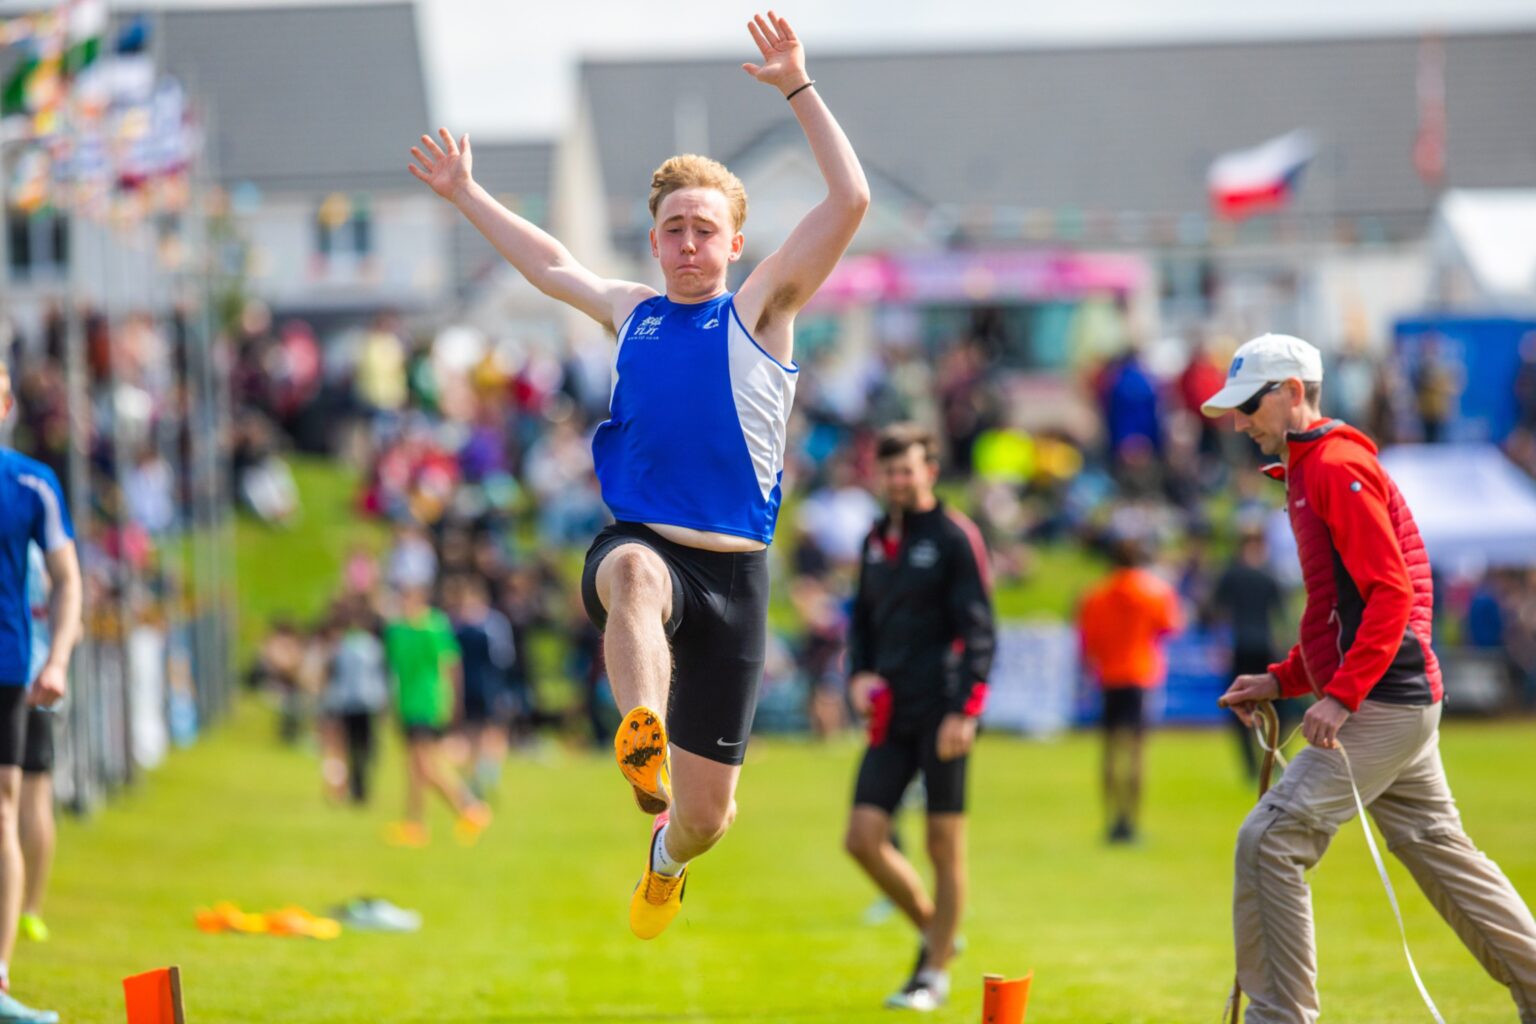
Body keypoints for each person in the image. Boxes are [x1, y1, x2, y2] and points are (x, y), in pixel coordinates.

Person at [409, 10, 868, 938]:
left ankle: (665, 855)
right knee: (630, 576)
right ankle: (642, 733)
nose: (689, 244)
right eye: (673, 230)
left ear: (735, 244)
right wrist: (467, 194)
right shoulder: (633, 315)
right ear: (654, 243)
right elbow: (550, 264)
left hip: (736, 573)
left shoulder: (761, 310)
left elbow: (849, 202)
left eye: (705, 230)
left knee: (709, 819)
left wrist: (797, 89)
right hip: (646, 541)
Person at [1203, 333, 1536, 1024]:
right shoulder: (1311, 467)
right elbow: (1333, 608)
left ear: (1293, 392)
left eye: (1248, 405)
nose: (1239, 423)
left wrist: (1343, 695)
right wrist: (1284, 679)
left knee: (1269, 840)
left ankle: (1279, 1018)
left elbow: (1390, 595)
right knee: (1441, 852)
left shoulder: (1334, 465)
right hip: (1399, 695)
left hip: (1383, 697)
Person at [843, 424, 996, 1012]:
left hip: (944, 712)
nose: (897, 481)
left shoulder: (957, 537)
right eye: (888, 472)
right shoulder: (875, 538)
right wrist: (858, 673)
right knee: (862, 839)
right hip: (891, 712)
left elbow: (980, 629)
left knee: (942, 845)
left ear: (930, 470)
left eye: (907, 470)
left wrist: (967, 710)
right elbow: (862, 622)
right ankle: (940, 936)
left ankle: (932, 973)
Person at [0, 361, 79, 1024]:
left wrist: (58, 657)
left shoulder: (30, 482)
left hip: (11, 668)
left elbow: (69, 579)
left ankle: (5, 962)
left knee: (16, 801)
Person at [1077, 534, 1180, 844]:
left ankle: (1111, 819)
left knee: (1109, 751)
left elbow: (1087, 641)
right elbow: (1169, 627)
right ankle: (1131, 821)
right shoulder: (1153, 591)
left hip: (1109, 676)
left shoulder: (1096, 594)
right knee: (1136, 753)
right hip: (1141, 675)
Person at [382, 585, 489, 847]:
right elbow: (394, 671)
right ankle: (418, 822)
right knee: (417, 767)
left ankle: (468, 808)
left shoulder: (434, 626)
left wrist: (453, 701)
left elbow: (450, 665)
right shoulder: (396, 632)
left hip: (428, 702)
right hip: (407, 704)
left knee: (423, 766)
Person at [1206, 526, 1295, 780]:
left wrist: (1219, 642)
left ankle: (1252, 766)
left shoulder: (1231, 575)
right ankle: (1275, 755)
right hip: (1267, 647)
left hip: (1241, 646)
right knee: (1280, 707)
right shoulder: (1270, 575)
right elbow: (1283, 615)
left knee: (1239, 705)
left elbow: (1215, 611)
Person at [444, 575, 515, 800]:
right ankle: (476, 777)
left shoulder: (492, 623)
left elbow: (503, 657)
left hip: (490, 684)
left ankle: (487, 774)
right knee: (472, 732)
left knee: (493, 730)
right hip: (470, 686)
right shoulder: (457, 625)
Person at [318, 600, 389, 805]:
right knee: (364, 749)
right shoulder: (373, 646)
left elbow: (331, 674)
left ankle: (349, 788)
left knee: (349, 748)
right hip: (366, 703)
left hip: (346, 703)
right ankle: (358, 788)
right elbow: (381, 677)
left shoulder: (341, 646)